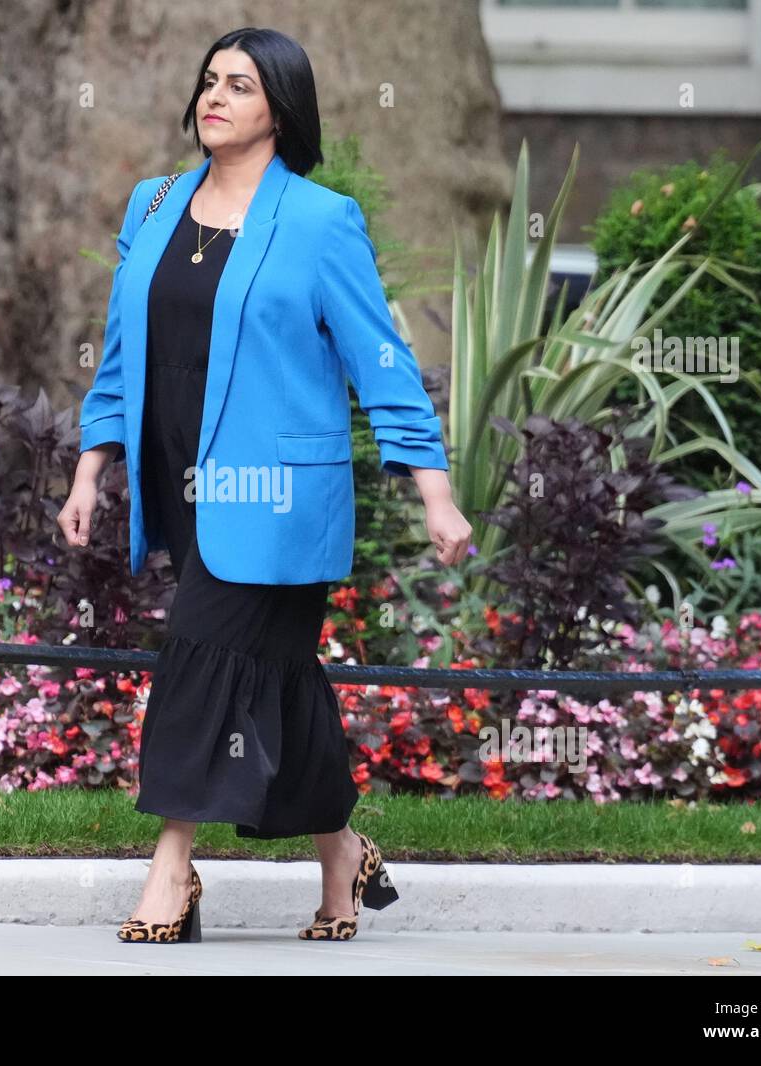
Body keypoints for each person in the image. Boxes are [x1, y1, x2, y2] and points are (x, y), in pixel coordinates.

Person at [57, 26, 472, 943]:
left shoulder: (321, 222)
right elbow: (121, 357)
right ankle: (342, 856)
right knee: (280, 676)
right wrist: (90, 471)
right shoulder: (153, 203)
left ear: (280, 109)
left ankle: (172, 870)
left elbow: (381, 362)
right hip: (180, 477)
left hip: (278, 493)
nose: (215, 97)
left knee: (199, 649)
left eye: (239, 85)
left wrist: (433, 489)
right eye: (210, 80)